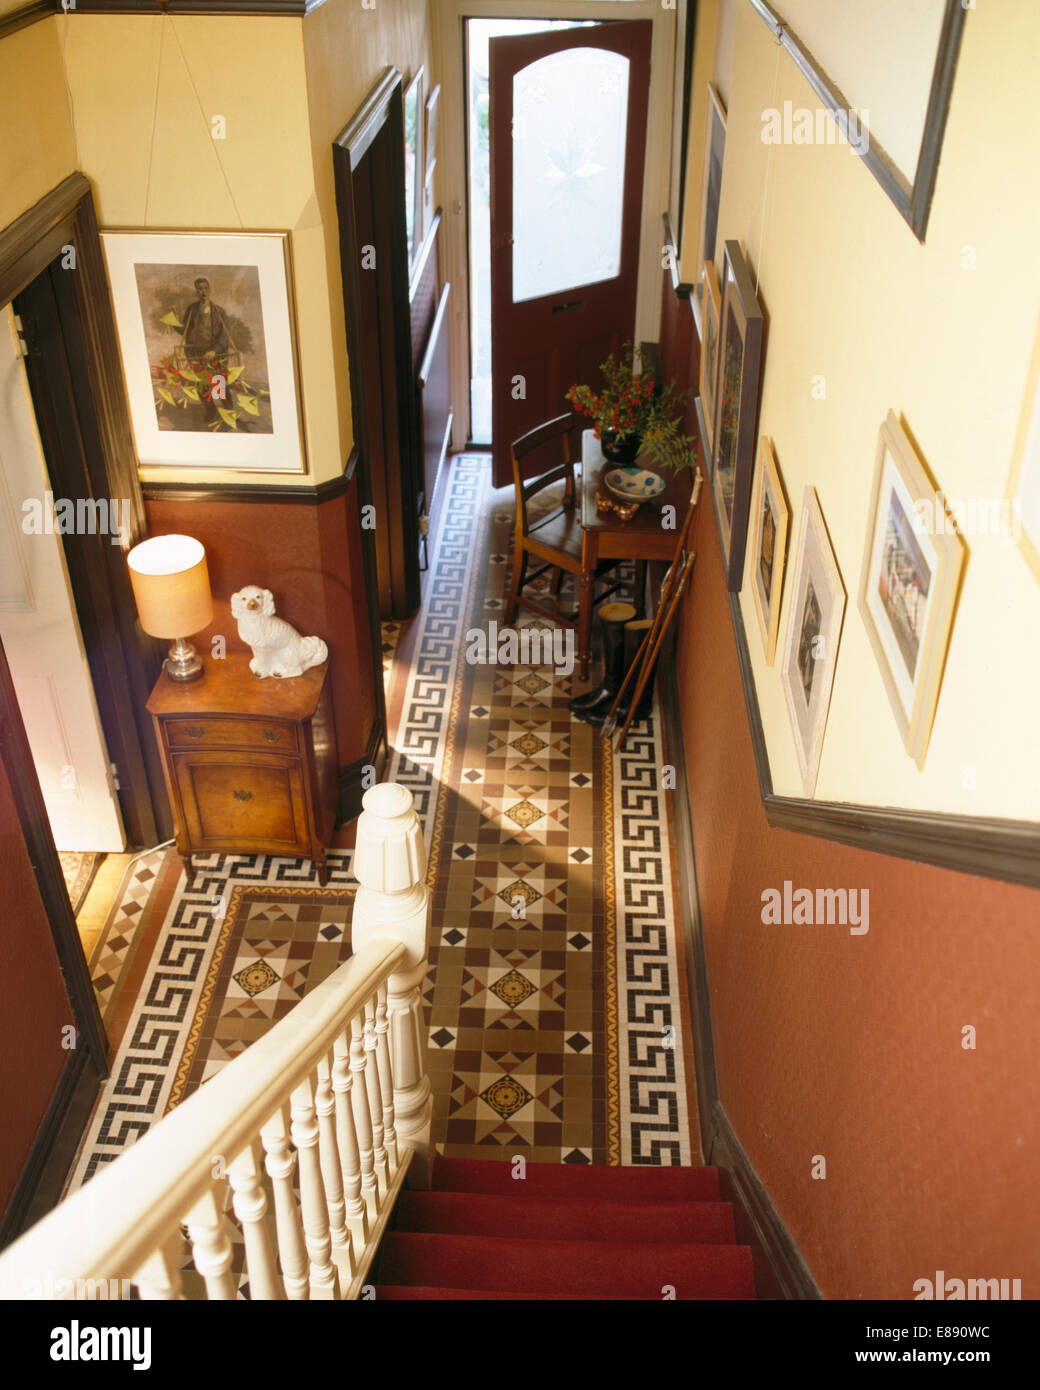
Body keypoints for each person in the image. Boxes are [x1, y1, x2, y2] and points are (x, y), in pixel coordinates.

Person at [181, 277, 236, 364]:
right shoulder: (191, 310)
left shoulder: (220, 311)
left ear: (209, 290)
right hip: (196, 355)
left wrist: (215, 350)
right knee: (195, 377)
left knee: (216, 376)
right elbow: (185, 331)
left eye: (205, 288)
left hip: (215, 355)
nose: (203, 292)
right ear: (196, 291)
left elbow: (226, 335)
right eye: (200, 289)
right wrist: (172, 321)